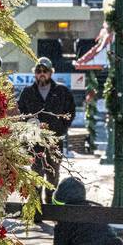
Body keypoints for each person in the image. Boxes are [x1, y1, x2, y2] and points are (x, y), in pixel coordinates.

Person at [17, 56, 75, 199]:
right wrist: (28, 130)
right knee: (36, 174)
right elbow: (20, 114)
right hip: (35, 142)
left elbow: (71, 111)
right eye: (39, 70)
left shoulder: (62, 91)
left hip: (54, 141)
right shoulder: (27, 92)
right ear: (35, 73)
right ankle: (36, 207)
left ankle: (50, 202)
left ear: (51, 72)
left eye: (45, 70)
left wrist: (61, 129)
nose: (42, 73)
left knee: (53, 173)